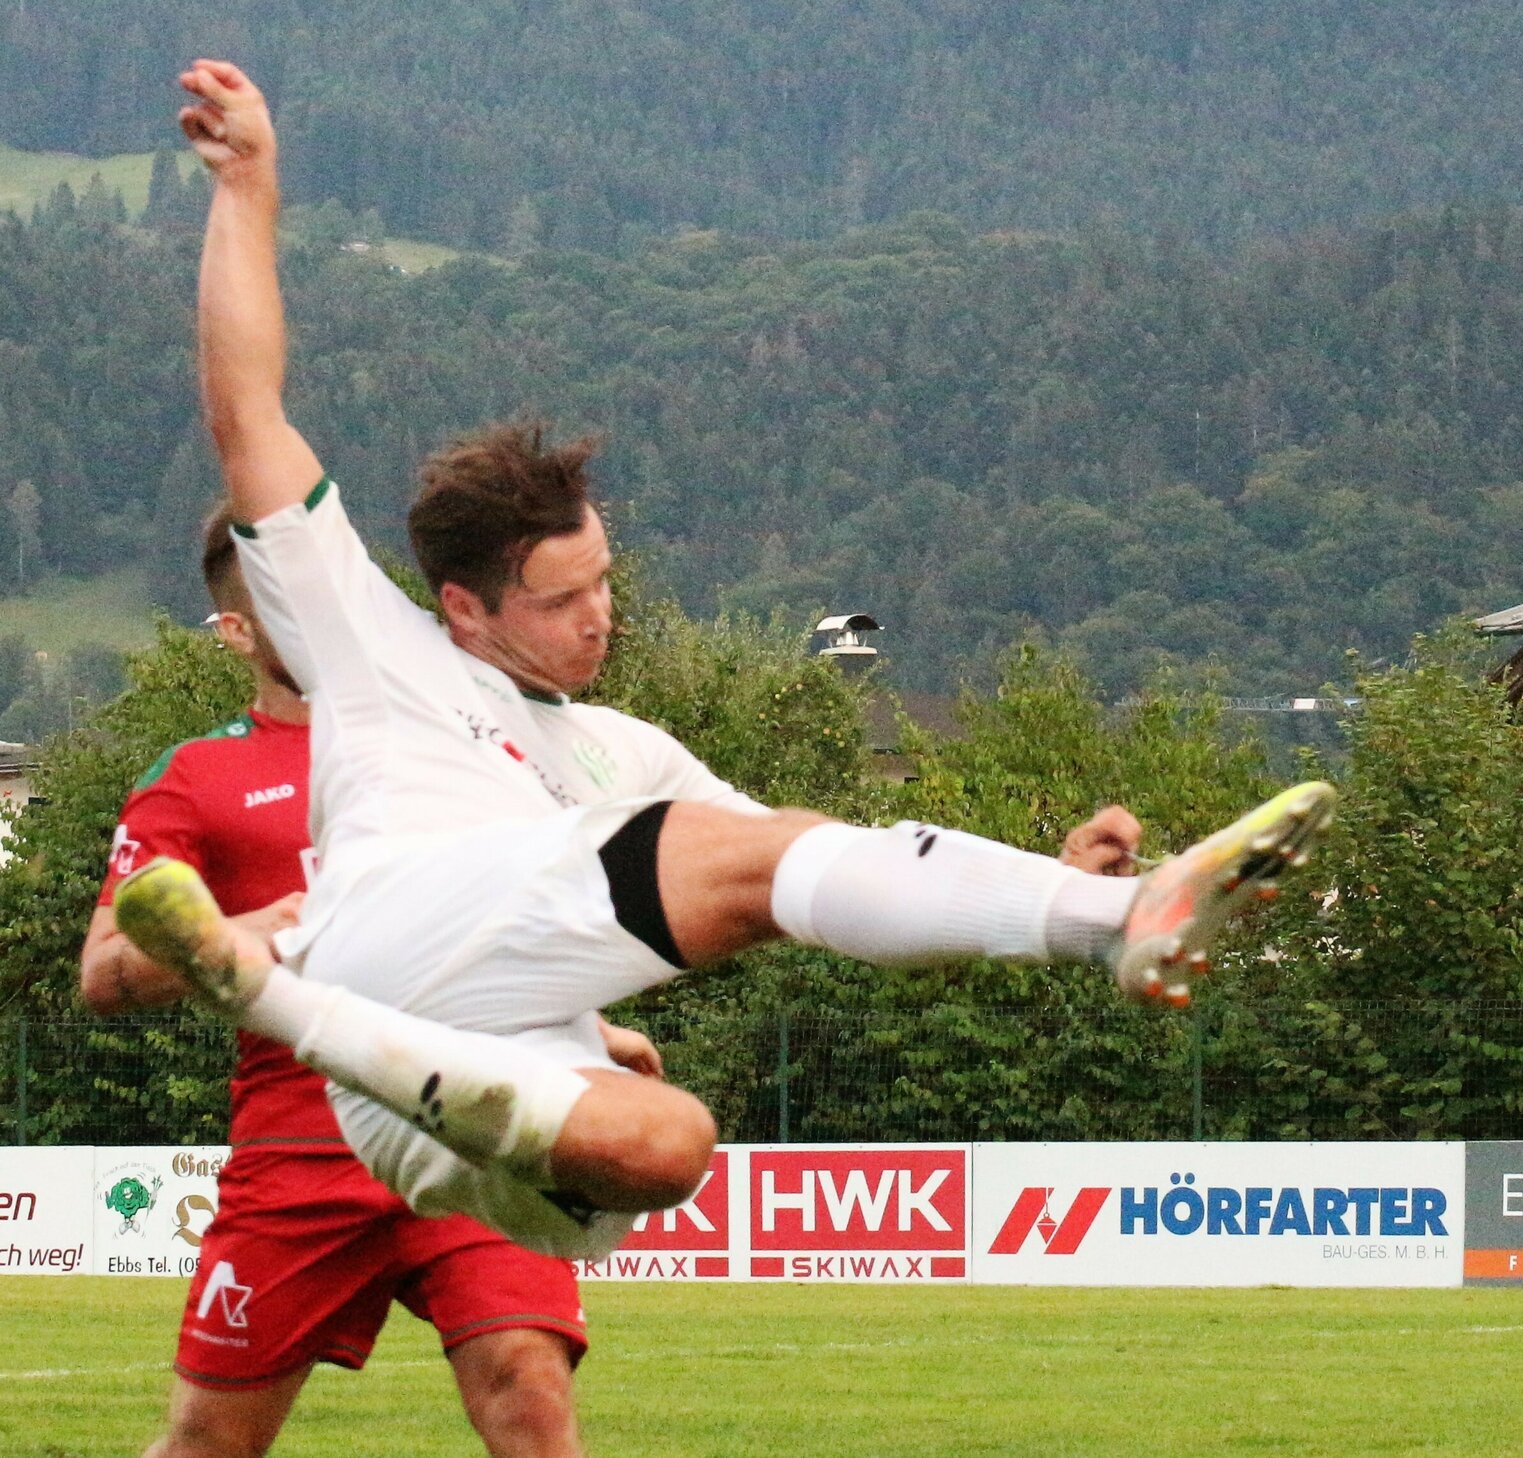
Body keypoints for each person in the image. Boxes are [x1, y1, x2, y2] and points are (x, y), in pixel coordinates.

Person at [116, 57, 1335, 1262]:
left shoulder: (626, 754)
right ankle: (1116, 919)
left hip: (440, 1084)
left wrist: (1033, 869)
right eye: (560, 600)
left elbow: (826, 874)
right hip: (394, 934)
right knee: (723, 862)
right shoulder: (371, 646)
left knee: (671, 1144)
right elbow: (247, 413)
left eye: (604, 582)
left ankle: (357, 1049)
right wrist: (247, 190)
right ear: (462, 608)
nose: (600, 619)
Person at [80, 510, 661, 1458]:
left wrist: (582, 1029)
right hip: (301, 1147)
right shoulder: (195, 777)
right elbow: (103, 973)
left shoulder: (452, 745)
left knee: (529, 1390)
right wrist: (245, 932)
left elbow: (496, 920)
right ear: (238, 632)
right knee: (210, 1440)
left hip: (473, 1121)